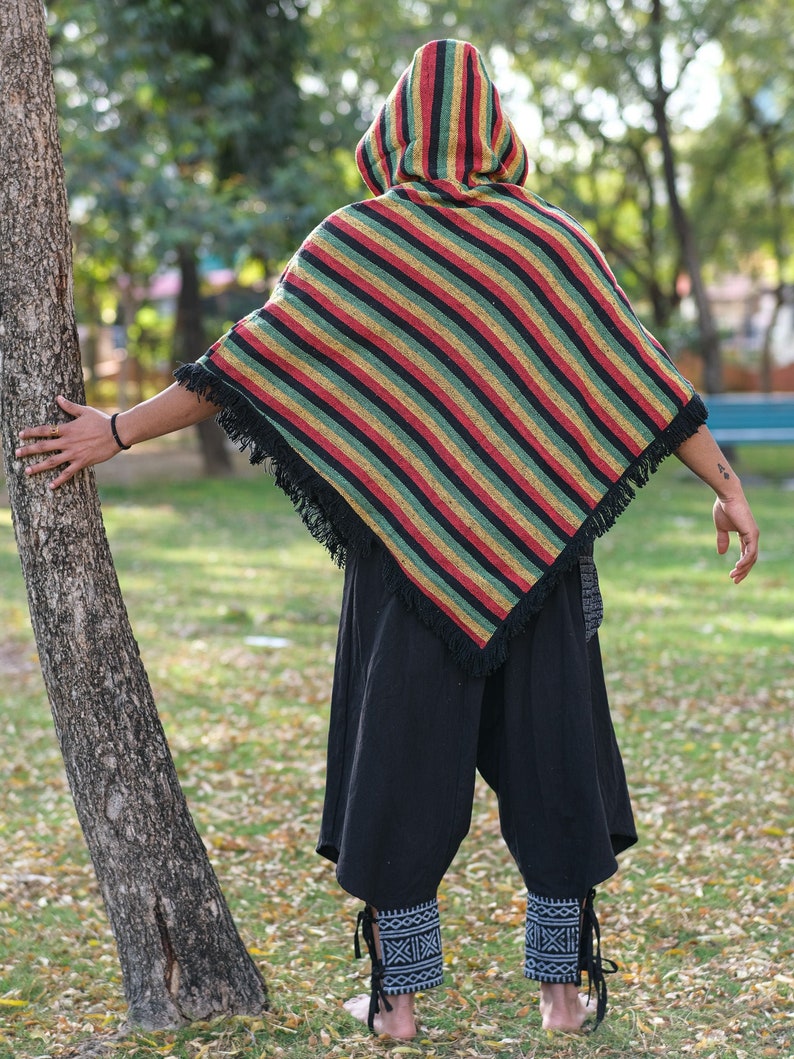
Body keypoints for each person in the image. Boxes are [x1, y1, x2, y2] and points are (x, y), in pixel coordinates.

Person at [16, 39, 758, 1042]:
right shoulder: (551, 244)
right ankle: (560, 993)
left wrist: (117, 430)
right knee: (555, 763)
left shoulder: (358, 242)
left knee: (401, 766)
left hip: (406, 563)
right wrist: (728, 487)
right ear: (495, 129)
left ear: (396, 130)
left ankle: (396, 1002)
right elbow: (644, 381)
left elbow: (241, 364)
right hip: (540, 558)